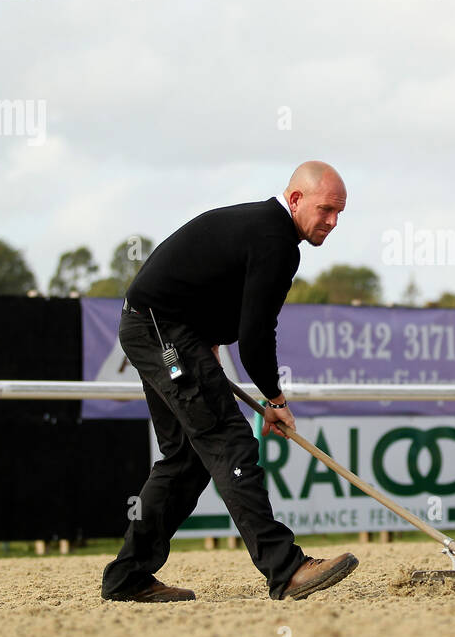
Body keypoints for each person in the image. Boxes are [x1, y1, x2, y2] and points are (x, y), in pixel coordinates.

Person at [101, 161, 357, 602]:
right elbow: (257, 335)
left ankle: (128, 577)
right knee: (230, 442)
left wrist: (208, 343)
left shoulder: (263, 228)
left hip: (157, 327)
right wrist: (275, 399)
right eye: (326, 209)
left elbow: (207, 287)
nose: (332, 222)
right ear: (295, 199)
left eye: (339, 213)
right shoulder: (276, 241)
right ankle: (286, 568)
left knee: (185, 459)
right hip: (163, 334)